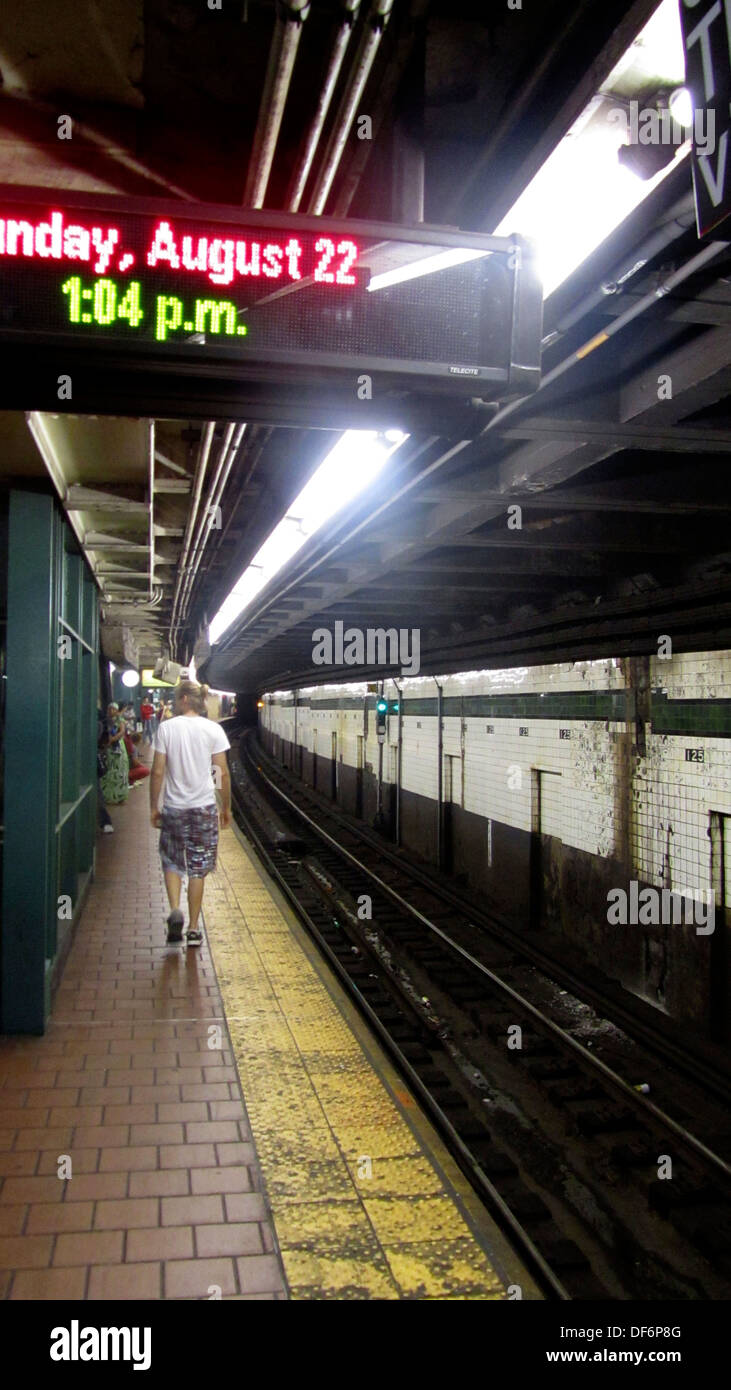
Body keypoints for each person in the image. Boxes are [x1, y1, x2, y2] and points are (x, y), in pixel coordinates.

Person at [149, 680, 231, 946]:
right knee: (198, 867)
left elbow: (158, 771)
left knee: (172, 860)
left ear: (184, 699)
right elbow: (221, 772)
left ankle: (175, 910)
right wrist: (225, 806)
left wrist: (154, 805)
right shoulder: (213, 730)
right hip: (204, 807)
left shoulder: (166, 728)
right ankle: (194, 929)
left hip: (174, 807)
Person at [100, 703, 129, 804]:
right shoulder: (106, 720)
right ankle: (108, 795)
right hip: (108, 748)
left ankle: (119, 795)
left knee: (119, 771)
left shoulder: (119, 720)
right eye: (110, 709)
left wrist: (113, 739)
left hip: (117, 747)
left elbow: (122, 731)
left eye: (113, 709)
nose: (111, 711)